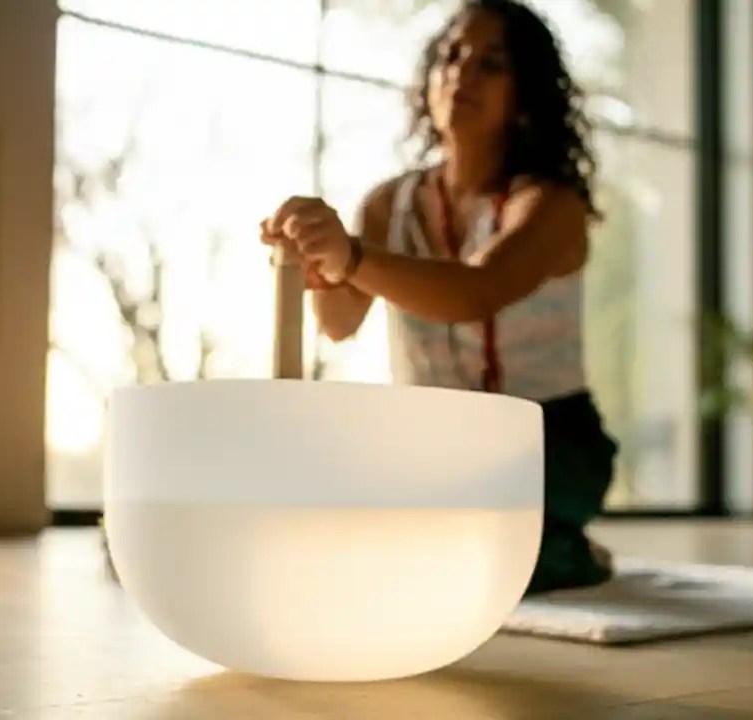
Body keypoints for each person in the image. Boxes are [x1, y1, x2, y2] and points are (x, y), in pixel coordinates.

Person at [261, 0, 617, 594]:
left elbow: (478, 291)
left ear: (525, 96)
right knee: (390, 535)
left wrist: (352, 258)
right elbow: (339, 322)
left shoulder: (551, 206)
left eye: (490, 64)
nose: (461, 74)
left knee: (466, 562)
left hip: (547, 440)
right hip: (429, 443)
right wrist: (317, 263)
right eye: (450, 57)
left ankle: (557, 550)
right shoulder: (386, 204)